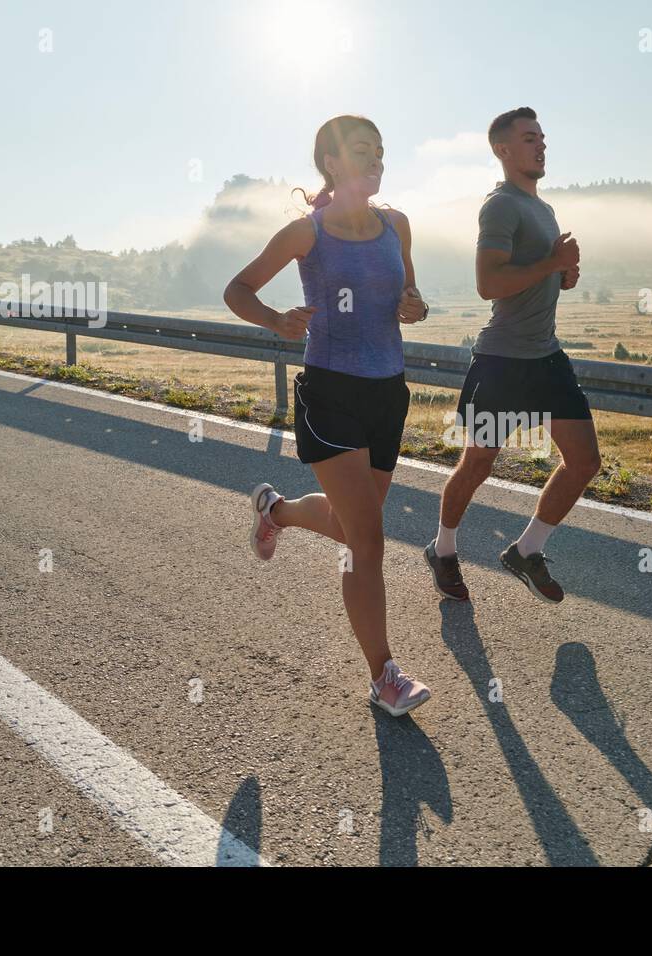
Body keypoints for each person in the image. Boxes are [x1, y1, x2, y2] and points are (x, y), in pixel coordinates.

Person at [224, 115, 432, 717]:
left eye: (380, 151)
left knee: (349, 527)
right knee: (368, 541)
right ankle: (385, 677)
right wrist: (274, 320)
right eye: (362, 150)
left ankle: (277, 513)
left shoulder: (398, 226)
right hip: (331, 393)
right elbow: (238, 289)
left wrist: (413, 306)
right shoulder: (305, 234)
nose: (374, 160)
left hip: (388, 394)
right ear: (332, 164)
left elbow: (407, 301)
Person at [425, 107, 600, 604]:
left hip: (546, 358)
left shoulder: (542, 209)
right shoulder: (500, 206)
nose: (540, 146)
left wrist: (562, 275)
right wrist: (552, 263)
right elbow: (488, 284)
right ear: (503, 150)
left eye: (542, 137)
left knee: (584, 461)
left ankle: (527, 550)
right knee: (479, 463)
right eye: (529, 139)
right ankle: (443, 549)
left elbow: (533, 275)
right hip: (501, 362)